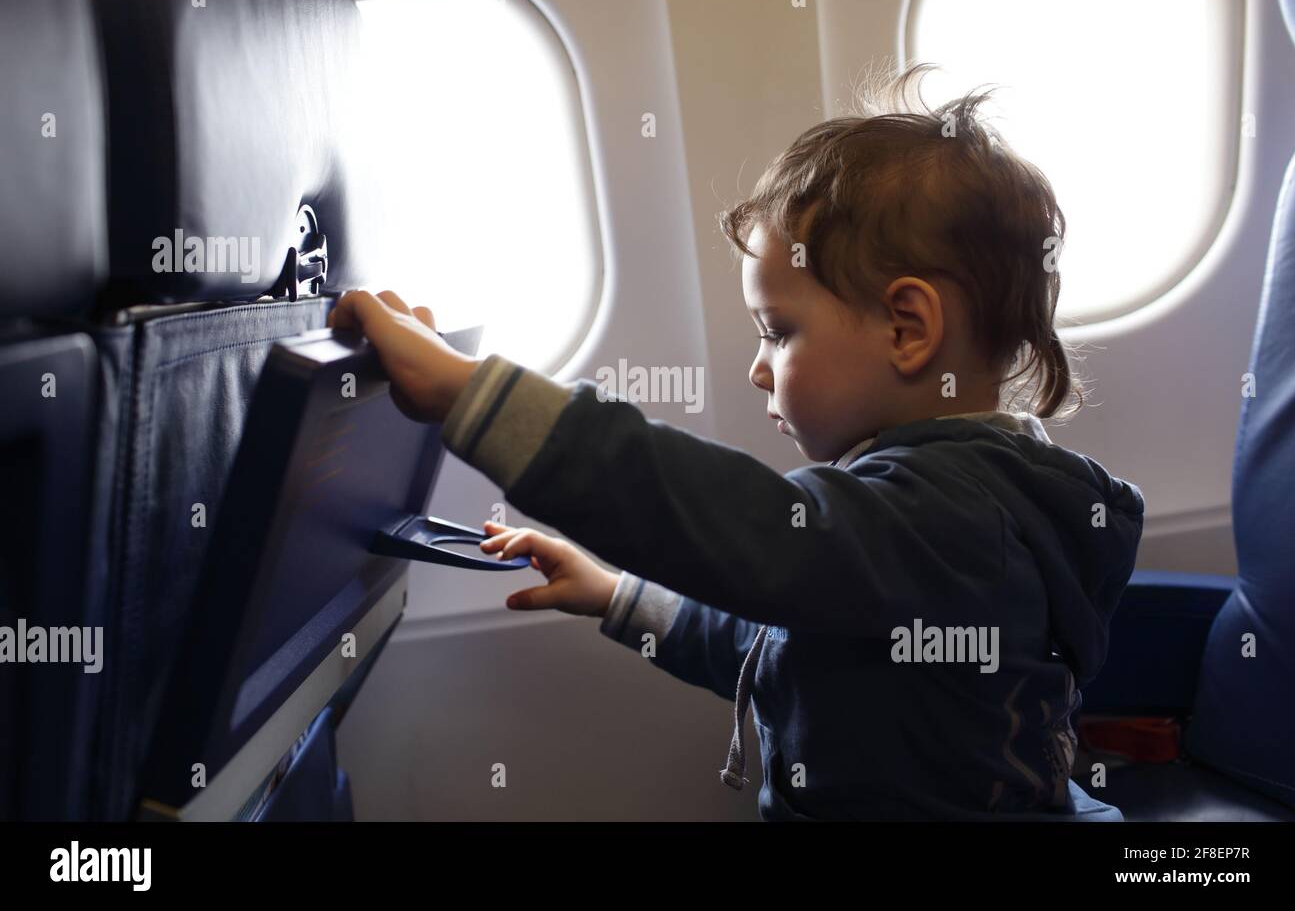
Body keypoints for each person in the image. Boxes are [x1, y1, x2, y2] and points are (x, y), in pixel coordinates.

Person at [327, 62, 1144, 821]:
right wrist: (616, 595)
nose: (758, 370)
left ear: (908, 329)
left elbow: (740, 532)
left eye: (778, 332)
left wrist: (470, 394)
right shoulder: (899, 517)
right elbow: (774, 636)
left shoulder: (955, 521)